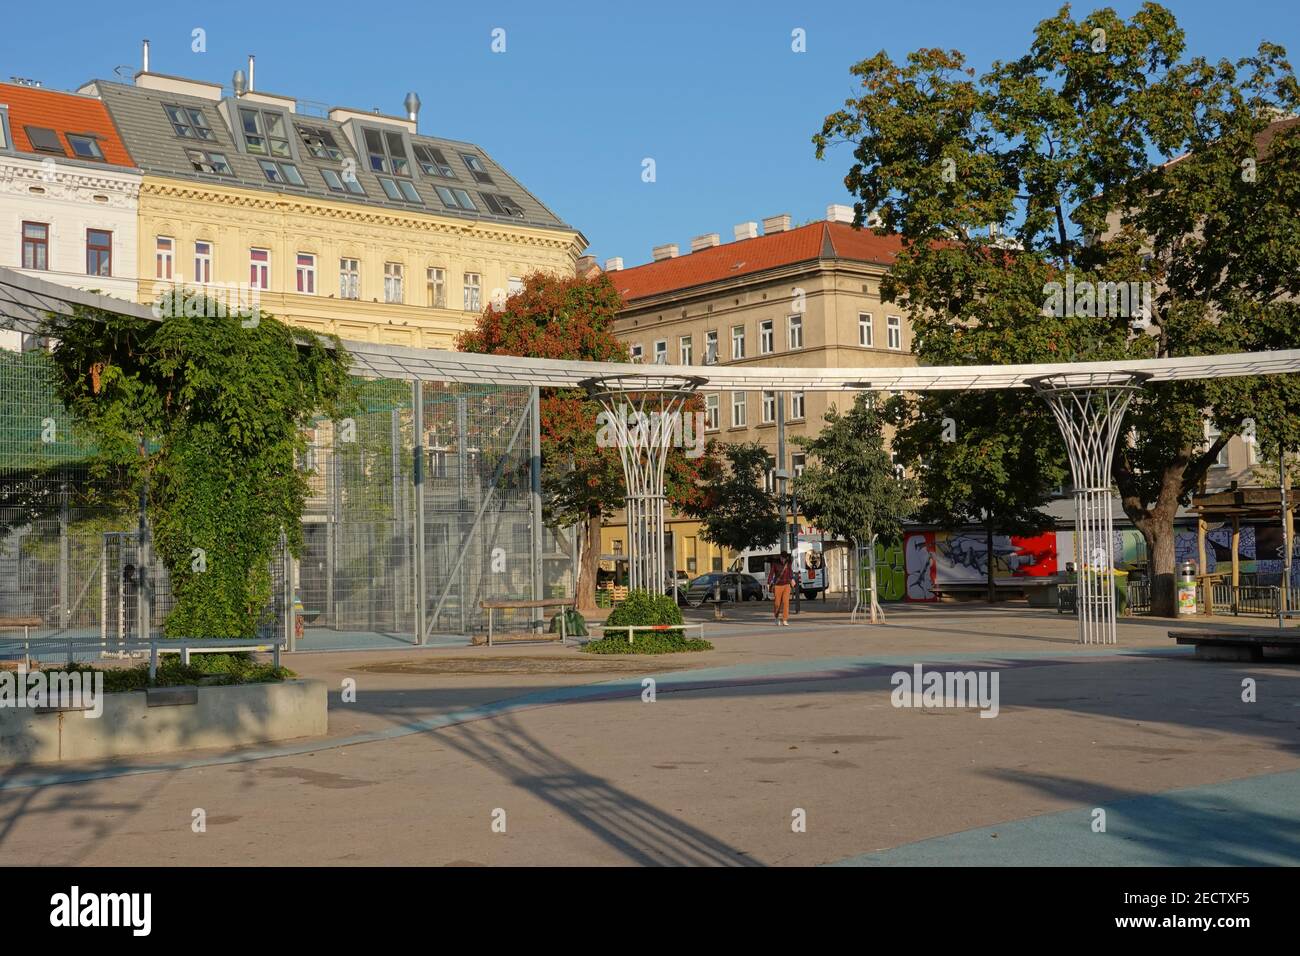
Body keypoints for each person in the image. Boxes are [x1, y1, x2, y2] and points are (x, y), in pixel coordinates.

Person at [768, 551, 794, 626]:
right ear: (780, 557)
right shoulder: (775, 563)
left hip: (786, 585)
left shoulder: (788, 563)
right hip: (777, 585)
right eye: (782, 558)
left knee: (786, 603)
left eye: (785, 558)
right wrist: (769, 582)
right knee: (777, 604)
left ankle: (785, 620)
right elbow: (771, 573)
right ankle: (776, 617)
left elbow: (790, 572)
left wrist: (792, 579)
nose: (783, 560)